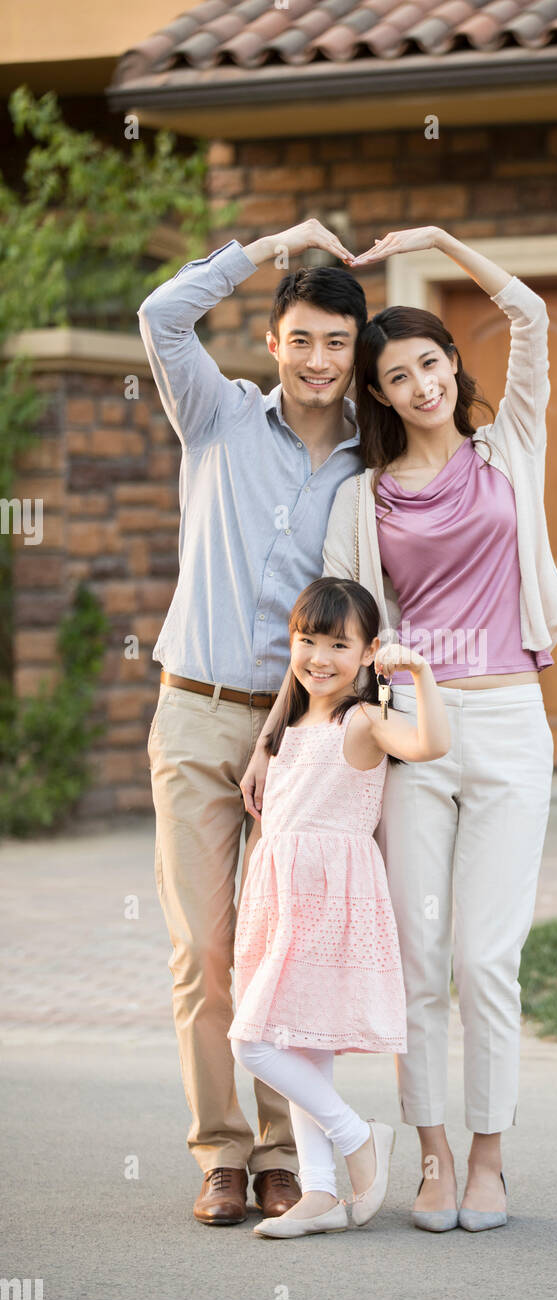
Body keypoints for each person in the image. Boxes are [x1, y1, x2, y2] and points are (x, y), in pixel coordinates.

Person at [326, 226, 557, 1231]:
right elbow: (348, 622)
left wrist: (434, 243)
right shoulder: (362, 496)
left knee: (485, 959)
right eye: (398, 374)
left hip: (510, 717)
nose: (422, 383)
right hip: (412, 727)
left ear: (450, 365)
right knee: (420, 959)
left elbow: (532, 313)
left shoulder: (509, 443)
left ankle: (488, 1159)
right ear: (377, 395)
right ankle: (427, 1154)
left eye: (431, 361)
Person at [139, 219, 368, 1225]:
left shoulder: (370, 469)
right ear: (273, 342)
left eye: (337, 343)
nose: (318, 359)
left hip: (301, 736)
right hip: (193, 712)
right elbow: (161, 312)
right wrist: (271, 245)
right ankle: (221, 1150)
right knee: (202, 948)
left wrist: (287, 735)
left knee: (279, 949)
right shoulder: (217, 415)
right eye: (302, 338)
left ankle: (285, 1149)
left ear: (353, 355)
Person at [230, 577, 450, 1238]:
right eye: (307, 641)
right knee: (301, 1040)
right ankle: (321, 1193)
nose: (320, 657)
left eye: (338, 643)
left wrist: (420, 673)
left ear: (367, 651)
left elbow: (431, 745)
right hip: (279, 897)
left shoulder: (363, 720)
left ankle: (359, 1137)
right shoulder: (291, 723)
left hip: (331, 904)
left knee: (253, 1039)